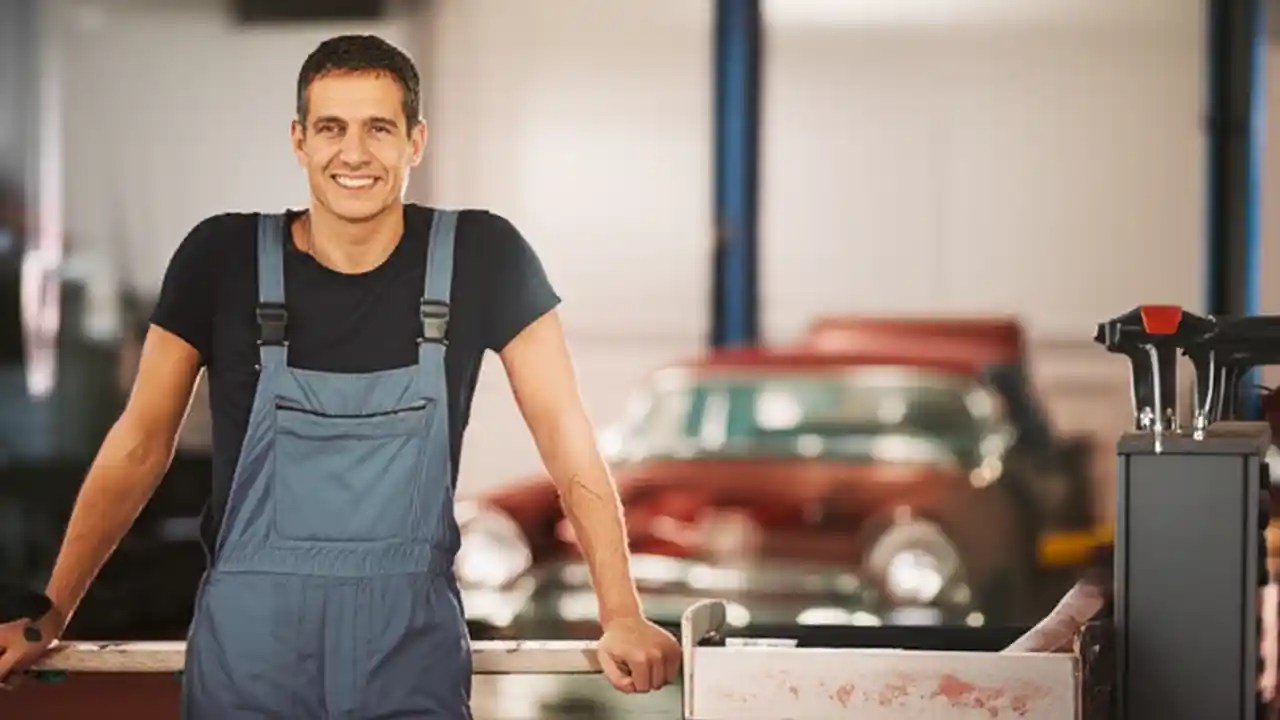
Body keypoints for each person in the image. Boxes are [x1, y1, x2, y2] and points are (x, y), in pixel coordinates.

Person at [0, 34, 681, 716]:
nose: (353, 153)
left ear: (416, 142)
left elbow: (566, 437)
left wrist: (621, 611)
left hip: (408, 647)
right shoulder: (221, 257)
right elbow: (140, 443)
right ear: (299, 141)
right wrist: (52, 610)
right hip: (251, 649)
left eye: (378, 128)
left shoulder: (484, 255)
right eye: (331, 128)